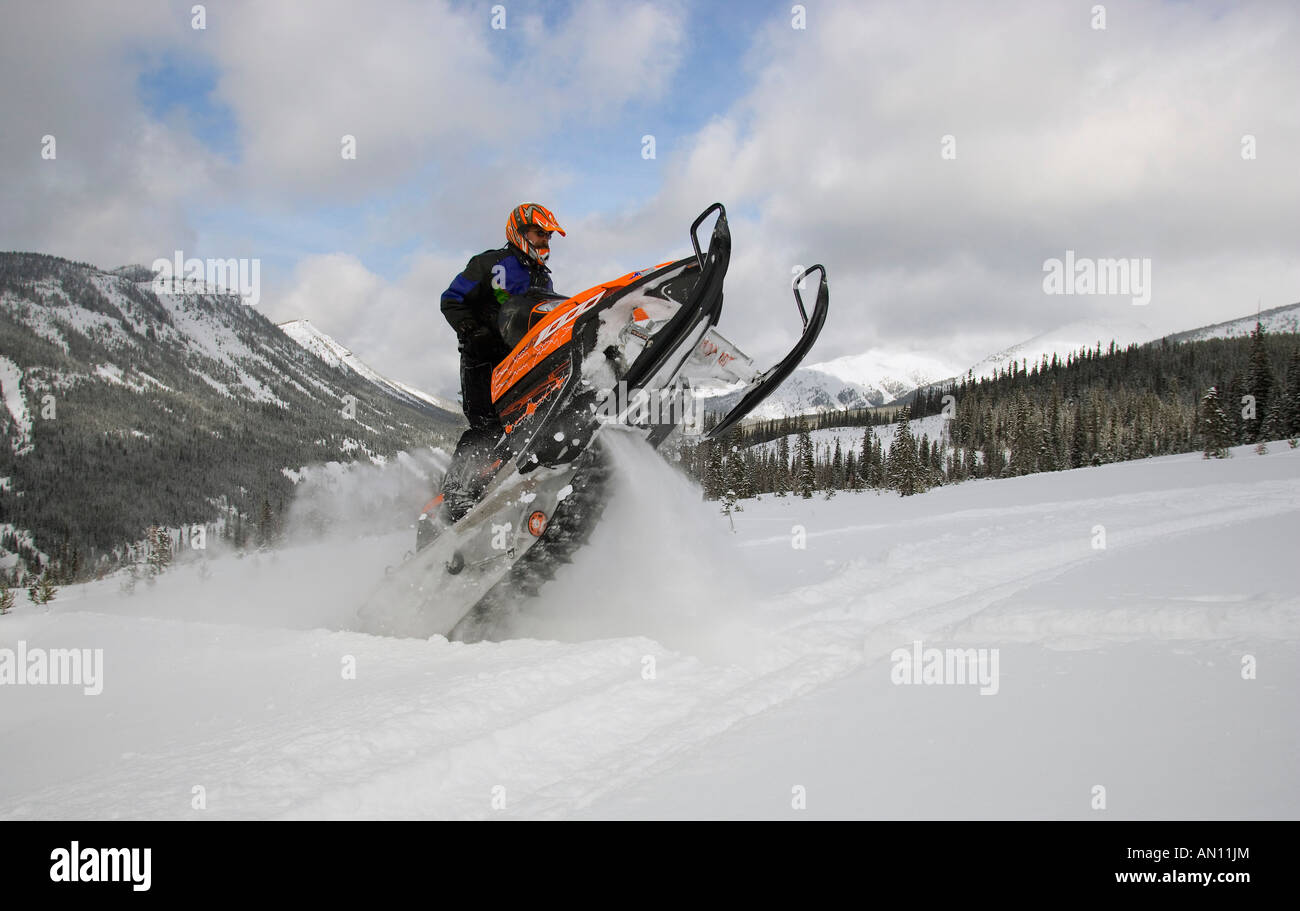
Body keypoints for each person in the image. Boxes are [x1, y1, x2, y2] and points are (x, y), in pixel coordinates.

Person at [436, 202, 566, 523]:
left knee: (521, 424)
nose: (544, 242)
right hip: (482, 359)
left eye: (548, 236)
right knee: (487, 426)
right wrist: (470, 329)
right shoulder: (490, 263)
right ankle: (457, 494)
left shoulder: (543, 280)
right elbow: (452, 299)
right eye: (539, 234)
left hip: (519, 364)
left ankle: (506, 489)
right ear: (520, 232)